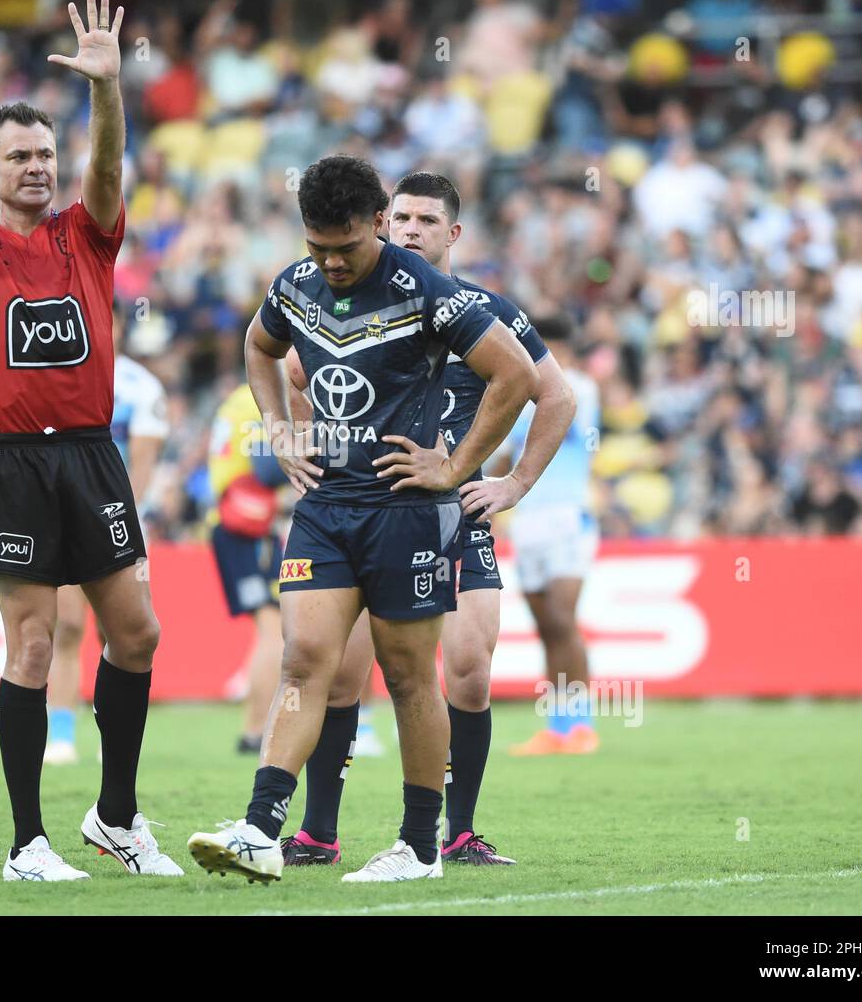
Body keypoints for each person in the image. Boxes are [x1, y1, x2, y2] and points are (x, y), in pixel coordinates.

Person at [186, 155, 539, 884]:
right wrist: (280, 431)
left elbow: (519, 377)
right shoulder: (295, 284)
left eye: (344, 246)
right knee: (304, 660)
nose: (331, 261)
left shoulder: (428, 291)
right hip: (324, 505)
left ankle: (418, 845)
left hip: (406, 510)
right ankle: (260, 827)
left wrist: (453, 467)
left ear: (378, 225)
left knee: (411, 677)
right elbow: (259, 345)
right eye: (317, 246)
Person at [0, 0, 181, 881]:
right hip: (14, 463)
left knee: (135, 634)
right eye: (19, 157)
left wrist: (108, 89)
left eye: (44, 154)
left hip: (92, 454)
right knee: (31, 646)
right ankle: (27, 842)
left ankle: (115, 816)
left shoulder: (86, 236)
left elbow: (110, 165)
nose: (37, 167)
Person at [280, 172, 575, 868]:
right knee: (341, 672)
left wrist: (513, 482)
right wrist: (309, 453)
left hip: (455, 510)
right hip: (364, 505)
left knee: (467, 669)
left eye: (426, 219)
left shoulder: (485, 308)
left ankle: (458, 830)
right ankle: (319, 832)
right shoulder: (350, 299)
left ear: (454, 233)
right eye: (402, 217)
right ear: (383, 222)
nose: (411, 229)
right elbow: (293, 373)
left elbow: (553, 396)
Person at [44, 316, 169, 766]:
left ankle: (109, 734)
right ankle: (60, 733)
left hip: (118, 522)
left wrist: (116, 520)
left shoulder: (141, 386)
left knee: (118, 631)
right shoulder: (56, 377)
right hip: (63, 519)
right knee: (67, 627)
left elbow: (143, 468)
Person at [499, 318, 602, 756]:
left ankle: (582, 724)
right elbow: (503, 451)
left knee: (562, 617)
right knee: (546, 626)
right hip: (528, 519)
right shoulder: (518, 391)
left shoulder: (578, 387)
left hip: (566, 518)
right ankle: (558, 727)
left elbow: (573, 427)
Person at [206, 383, 287, 754]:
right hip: (251, 525)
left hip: (231, 521)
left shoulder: (236, 398)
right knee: (274, 631)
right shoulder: (262, 398)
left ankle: (254, 729)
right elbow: (267, 467)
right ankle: (257, 732)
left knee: (268, 631)